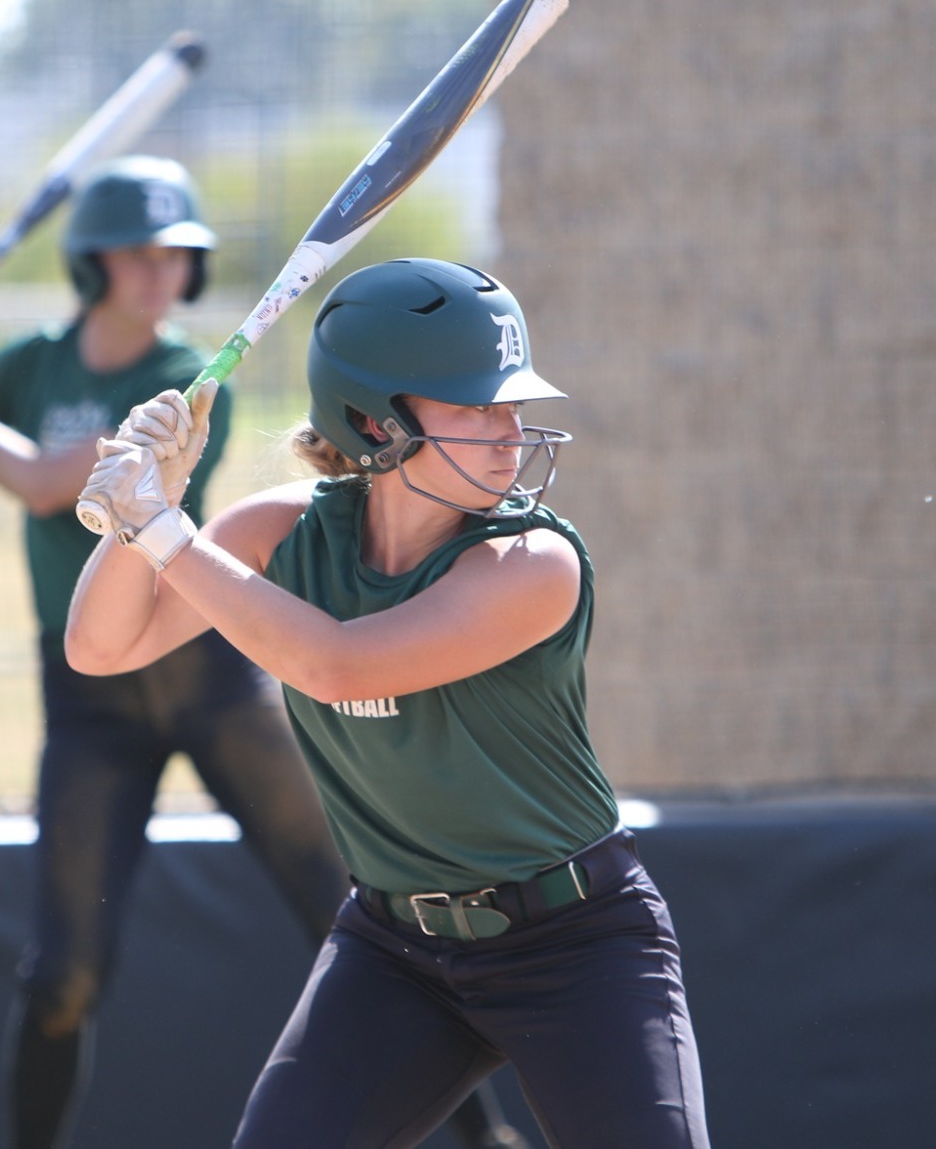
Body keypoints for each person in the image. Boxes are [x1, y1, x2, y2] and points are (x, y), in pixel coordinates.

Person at [0, 166, 527, 1149]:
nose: (157, 272)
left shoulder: (173, 375)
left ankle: (486, 1138)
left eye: (175, 254)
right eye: (137, 253)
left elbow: (52, 482)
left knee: (347, 911)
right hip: (86, 698)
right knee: (63, 975)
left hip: (207, 679)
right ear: (92, 263)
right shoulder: (31, 363)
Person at [65, 256, 710, 1148]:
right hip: (394, 947)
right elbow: (103, 645)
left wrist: (164, 530)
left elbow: (339, 664)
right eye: (476, 404)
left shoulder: (533, 562)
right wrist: (150, 505)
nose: (510, 429)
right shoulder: (284, 529)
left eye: (513, 402)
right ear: (375, 422)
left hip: (575, 941)